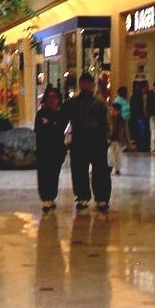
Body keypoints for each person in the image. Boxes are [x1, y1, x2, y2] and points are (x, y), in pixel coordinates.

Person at [63, 72, 110, 212]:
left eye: (87, 83)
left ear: (92, 85)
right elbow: (64, 119)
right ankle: (82, 196)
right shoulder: (72, 103)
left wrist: (107, 138)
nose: (85, 86)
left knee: (100, 169)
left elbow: (105, 123)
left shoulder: (100, 103)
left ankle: (101, 198)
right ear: (80, 85)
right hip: (79, 140)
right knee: (79, 170)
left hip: (97, 140)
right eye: (83, 83)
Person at [34, 88, 68, 213]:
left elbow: (61, 130)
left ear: (58, 100)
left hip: (57, 150)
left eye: (54, 97)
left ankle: (52, 197)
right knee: (44, 174)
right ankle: (45, 198)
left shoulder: (61, 114)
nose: (52, 100)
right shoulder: (41, 114)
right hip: (44, 150)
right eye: (49, 98)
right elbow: (38, 131)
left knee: (54, 174)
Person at [108, 102, 130, 176]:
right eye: (111, 110)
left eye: (114, 110)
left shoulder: (122, 120)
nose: (112, 111)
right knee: (110, 154)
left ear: (118, 111)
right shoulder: (109, 119)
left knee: (118, 155)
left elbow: (126, 132)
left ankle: (117, 169)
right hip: (110, 140)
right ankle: (109, 167)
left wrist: (127, 142)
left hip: (118, 141)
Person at [129, 81, 148, 151]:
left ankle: (142, 145)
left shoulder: (145, 96)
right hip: (139, 116)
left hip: (142, 116)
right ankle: (141, 146)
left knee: (142, 131)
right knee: (141, 131)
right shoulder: (136, 96)